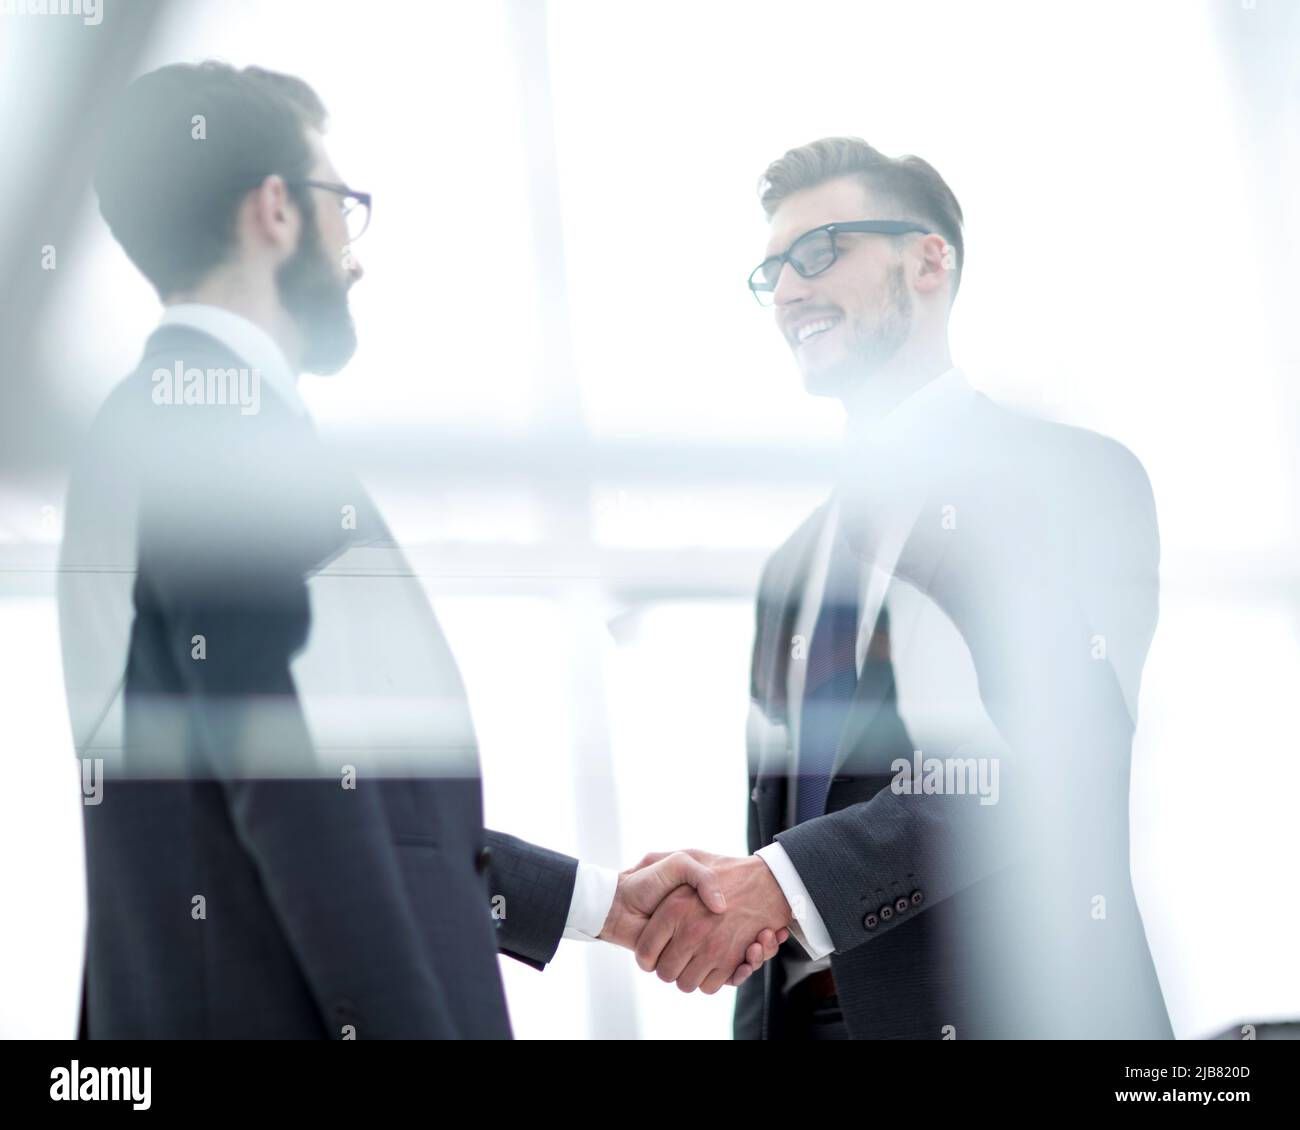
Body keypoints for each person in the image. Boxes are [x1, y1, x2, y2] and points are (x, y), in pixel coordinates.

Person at [58, 61, 781, 1039]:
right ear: (276, 209)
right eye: (340, 207)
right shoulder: (218, 437)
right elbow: (302, 816)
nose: (353, 255)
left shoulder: (179, 425)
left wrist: (601, 901)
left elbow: (344, 804)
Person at [628, 137, 1174, 1040]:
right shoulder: (790, 568)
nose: (790, 290)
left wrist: (785, 881)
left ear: (929, 259)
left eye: (819, 251)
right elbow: (796, 818)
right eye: (772, 273)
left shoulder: (1070, 481)